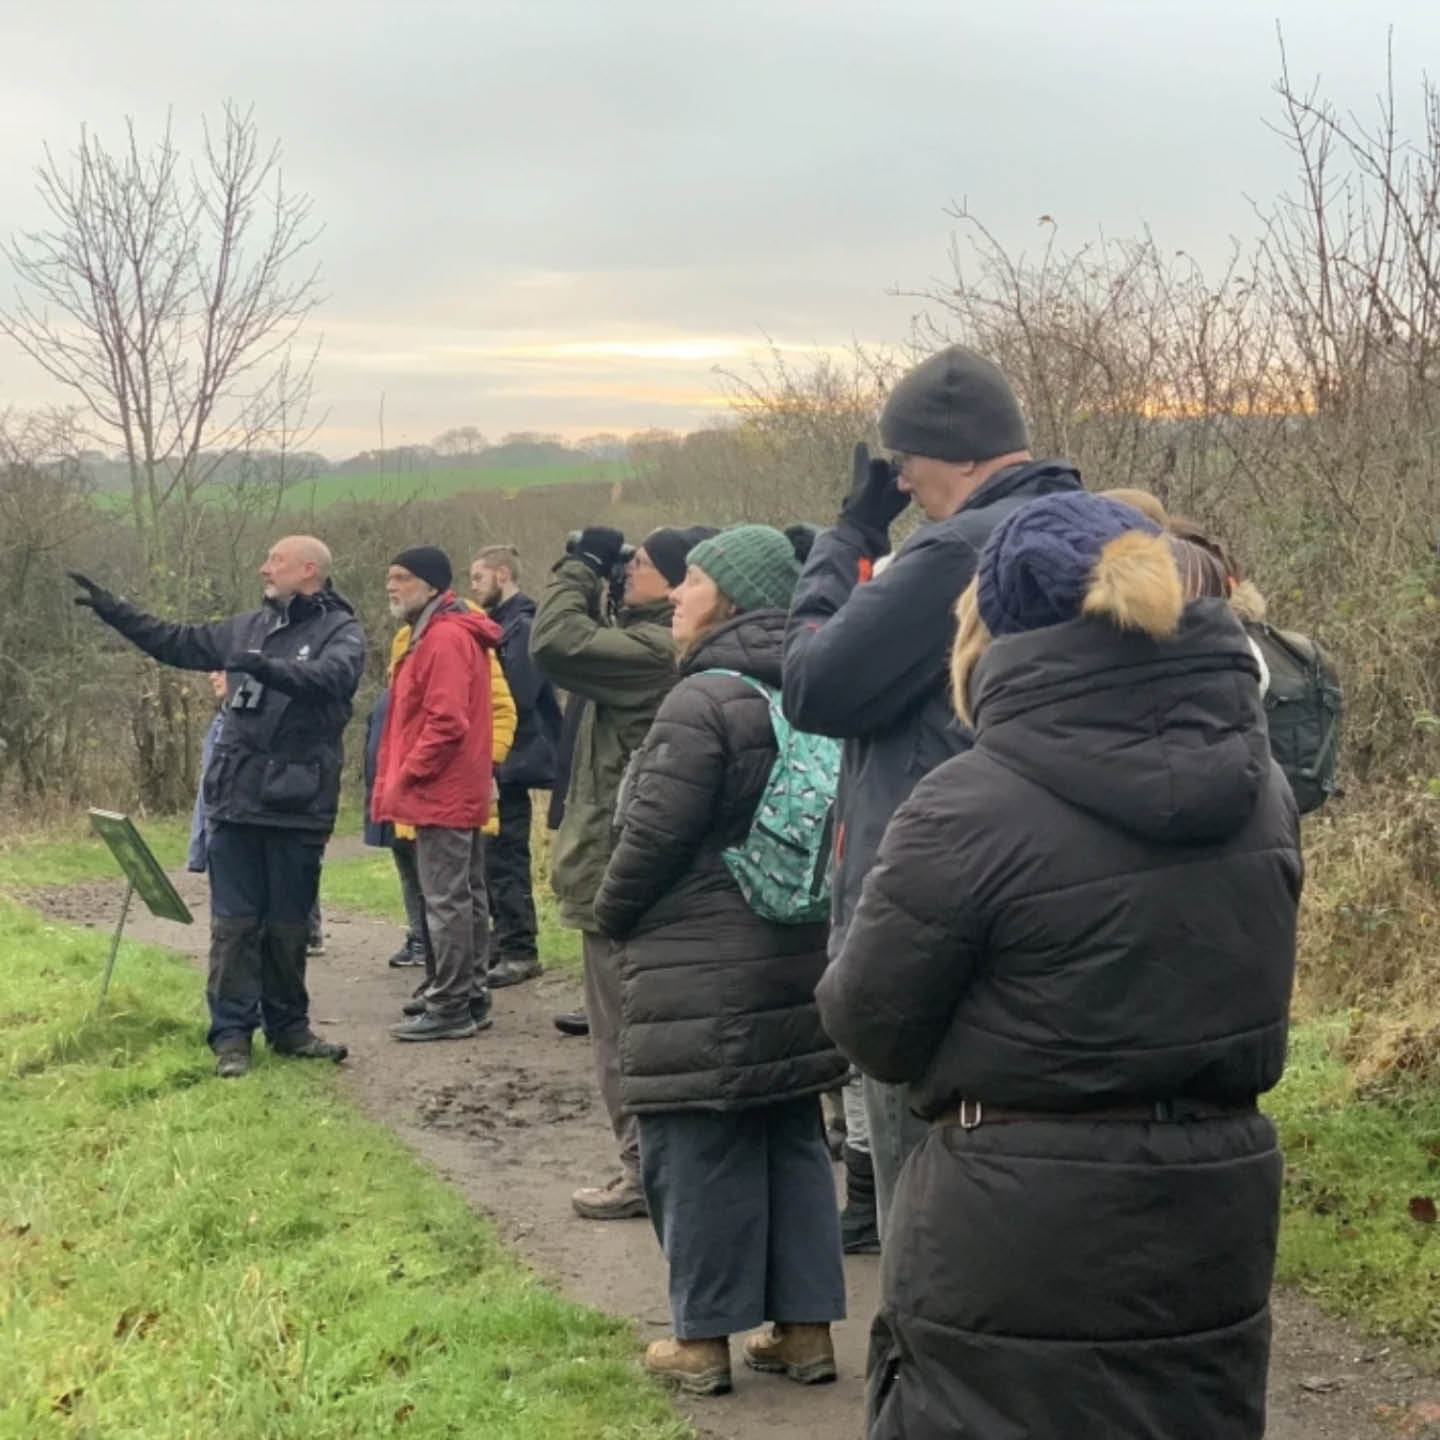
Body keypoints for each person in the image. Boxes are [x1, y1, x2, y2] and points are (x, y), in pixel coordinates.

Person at [817, 492, 1301, 1440]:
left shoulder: (966, 804)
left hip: (1015, 1222)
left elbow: (870, 1022)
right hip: (1215, 1204)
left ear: (995, 634)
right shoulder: (1262, 789)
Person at [782, 344, 1083, 1234]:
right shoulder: (1095, 529)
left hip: (935, 904)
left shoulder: (959, 550)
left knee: (931, 1209)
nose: (900, 481)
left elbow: (813, 684)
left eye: (905, 459)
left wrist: (846, 541)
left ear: (959, 454)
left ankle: (926, 1359)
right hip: (1057, 898)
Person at [595, 524, 848, 1397]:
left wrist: (611, 912)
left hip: (698, 956)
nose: (675, 594)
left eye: (693, 580)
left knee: (694, 1137)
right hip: (792, 945)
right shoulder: (806, 691)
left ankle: (700, 1342)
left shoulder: (702, 700)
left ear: (731, 596)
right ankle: (805, 1331)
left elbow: (653, 833)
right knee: (788, 1132)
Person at [70, 536, 362, 1078]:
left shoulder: (339, 632)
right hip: (234, 801)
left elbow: (333, 680)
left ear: (307, 569)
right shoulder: (246, 627)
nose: (262, 567)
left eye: (273, 560)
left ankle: (289, 1030)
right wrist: (116, 611)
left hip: (298, 805)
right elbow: (175, 641)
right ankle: (230, 1037)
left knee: (288, 927)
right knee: (234, 927)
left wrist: (264, 667)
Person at [531, 521, 716, 1220]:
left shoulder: (651, 650)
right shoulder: (656, 640)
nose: (627, 571)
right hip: (641, 868)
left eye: (640, 565)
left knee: (623, 1036)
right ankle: (660, 1167)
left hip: (621, 872)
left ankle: (643, 1171)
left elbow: (553, 642)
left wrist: (577, 565)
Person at [371, 546, 505, 1041]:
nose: (392, 586)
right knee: (465, 895)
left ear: (430, 586)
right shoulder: (440, 631)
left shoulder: (444, 637)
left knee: (446, 898)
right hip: (455, 786)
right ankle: (468, 995)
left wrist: (408, 772)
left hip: (442, 789)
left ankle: (450, 1004)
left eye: (402, 577)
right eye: (390, 576)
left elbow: (446, 720)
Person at [470, 544, 562, 988]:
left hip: (515, 757)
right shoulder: (497, 626)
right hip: (499, 757)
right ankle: (500, 940)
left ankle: (520, 948)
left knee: (506, 855)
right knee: (490, 857)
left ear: (502, 574)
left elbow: (519, 694)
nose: (472, 587)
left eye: (478, 577)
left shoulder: (523, 627)